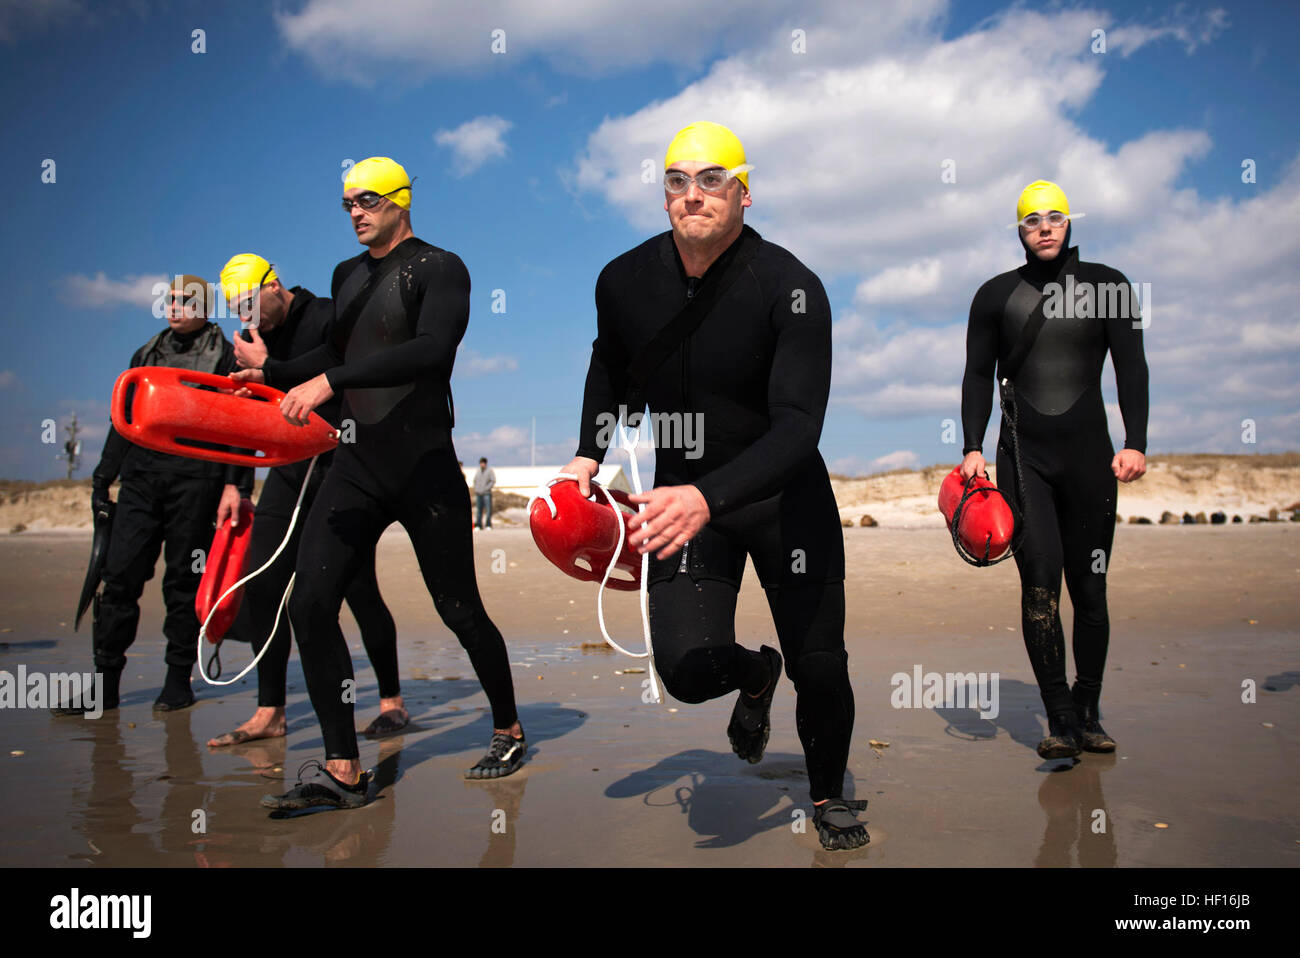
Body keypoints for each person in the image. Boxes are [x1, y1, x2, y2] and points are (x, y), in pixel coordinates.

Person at [560, 122, 866, 850]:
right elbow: (610, 367)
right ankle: (757, 676)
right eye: (676, 180)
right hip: (680, 502)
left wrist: (705, 497)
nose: (692, 195)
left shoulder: (791, 288)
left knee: (821, 665)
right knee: (688, 673)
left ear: (744, 193)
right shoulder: (623, 280)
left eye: (710, 180)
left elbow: (798, 427)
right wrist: (584, 460)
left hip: (783, 495)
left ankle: (827, 796)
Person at [233, 157, 524, 810]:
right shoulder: (347, 275)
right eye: (347, 205)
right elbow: (339, 354)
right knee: (309, 601)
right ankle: (343, 769)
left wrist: (329, 384)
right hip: (357, 464)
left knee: (459, 610)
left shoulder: (440, 267)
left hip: (423, 466)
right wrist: (274, 372)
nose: (356, 212)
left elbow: (431, 350)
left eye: (366, 200)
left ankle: (507, 727)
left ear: (400, 199)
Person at [960, 180, 1148, 759]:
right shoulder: (994, 295)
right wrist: (972, 445)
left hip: (1091, 457)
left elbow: (1131, 365)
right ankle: (1059, 717)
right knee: (1039, 585)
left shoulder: (1108, 285)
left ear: (1070, 223)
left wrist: (1135, 441)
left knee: (1089, 588)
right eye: (1032, 219)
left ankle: (1089, 712)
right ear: (1019, 230)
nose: (1044, 227)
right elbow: (976, 375)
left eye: (1055, 217)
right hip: (1024, 457)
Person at [206, 253, 405, 747]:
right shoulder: (253, 342)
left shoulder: (324, 316)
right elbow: (243, 410)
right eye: (236, 309)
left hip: (340, 466)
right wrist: (236, 483)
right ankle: (270, 710)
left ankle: (391, 701)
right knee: (262, 586)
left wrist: (269, 368)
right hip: (287, 471)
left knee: (357, 588)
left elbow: (341, 373)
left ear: (274, 285)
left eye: (250, 302)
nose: (245, 317)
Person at [55, 275, 252, 714]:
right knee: (119, 579)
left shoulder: (226, 355)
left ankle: (177, 682)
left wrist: (235, 485)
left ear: (204, 307)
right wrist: (103, 477)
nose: (174, 307)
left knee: (183, 582)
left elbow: (241, 423)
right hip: (141, 478)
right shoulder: (146, 353)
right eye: (169, 300)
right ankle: (104, 687)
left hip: (198, 479)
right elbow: (121, 417)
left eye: (185, 300)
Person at [473, 457, 495, 529]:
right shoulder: (478, 471)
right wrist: (476, 489)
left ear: (485, 463)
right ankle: (479, 525)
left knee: (488, 510)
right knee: (479, 510)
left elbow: (493, 481)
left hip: (486, 494)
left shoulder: (490, 471)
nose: (482, 464)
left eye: (483, 463)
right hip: (478, 494)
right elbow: (475, 480)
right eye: (481, 463)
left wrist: (486, 489)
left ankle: (488, 525)